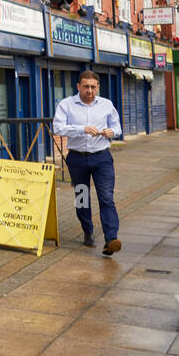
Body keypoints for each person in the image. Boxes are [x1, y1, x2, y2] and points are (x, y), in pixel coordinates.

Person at [52, 71, 123, 255]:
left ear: (98, 87)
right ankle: (87, 230)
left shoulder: (106, 105)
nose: (89, 90)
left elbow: (117, 128)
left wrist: (111, 132)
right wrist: (81, 129)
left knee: (106, 197)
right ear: (78, 86)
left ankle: (111, 239)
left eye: (93, 87)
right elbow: (57, 127)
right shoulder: (66, 104)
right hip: (77, 158)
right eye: (86, 86)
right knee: (82, 196)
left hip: (102, 157)